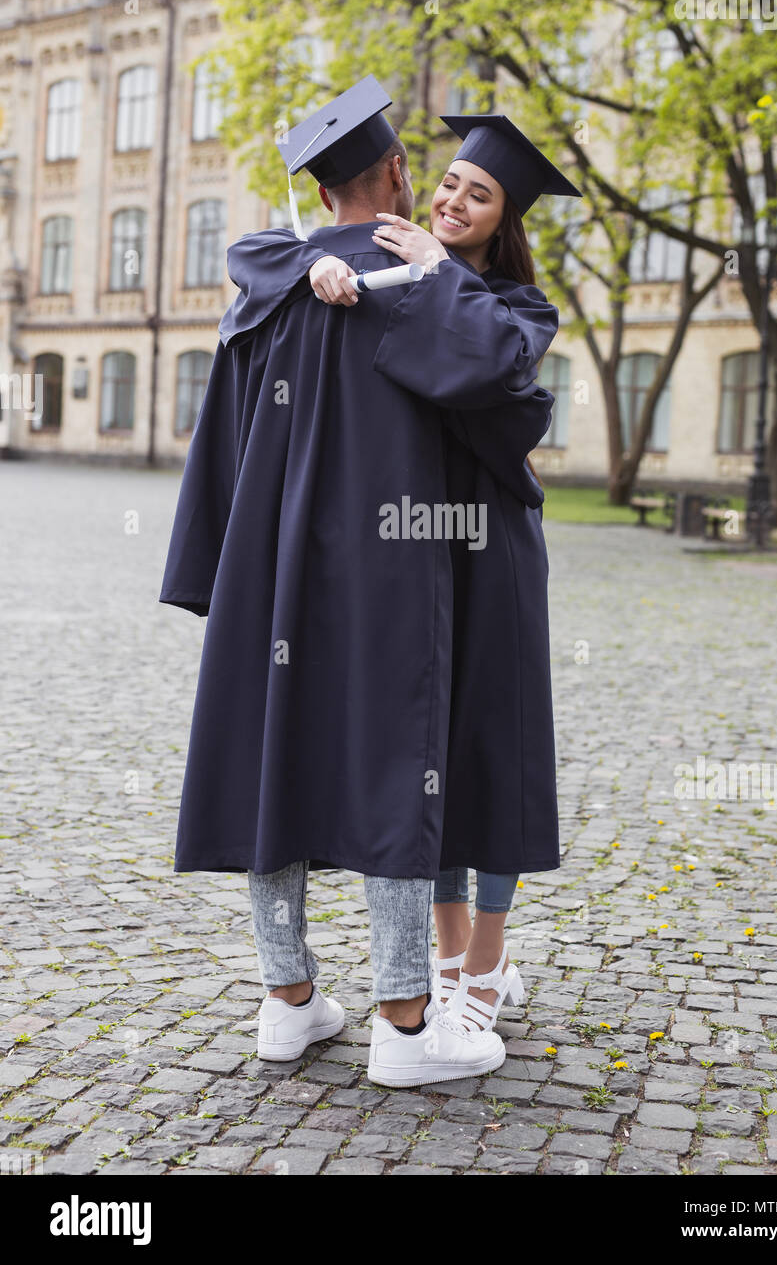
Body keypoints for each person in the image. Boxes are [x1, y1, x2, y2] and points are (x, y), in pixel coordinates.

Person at [159, 79, 556, 1088]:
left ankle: (288, 1002)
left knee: (269, 762)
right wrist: (413, 276)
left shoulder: (272, 285)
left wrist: (213, 566)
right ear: (395, 173)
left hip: (272, 570)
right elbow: (507, 395)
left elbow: (219, 443)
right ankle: (404, 1024)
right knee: (395, 764)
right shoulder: (405, 292)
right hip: (386, 571)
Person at [308, 112, 581, 1037]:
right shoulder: (398, 271)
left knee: (493, 757)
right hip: (414, 555)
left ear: (504, 218)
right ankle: (447, 953)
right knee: (431, 755)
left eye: (479, 194)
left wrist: (432, 267)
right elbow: (266, 257)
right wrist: (322, 266)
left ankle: (485, 968)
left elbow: (493, 367)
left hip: (492, 552)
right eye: (450, 183)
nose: (454, 201)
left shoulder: (521, 311)